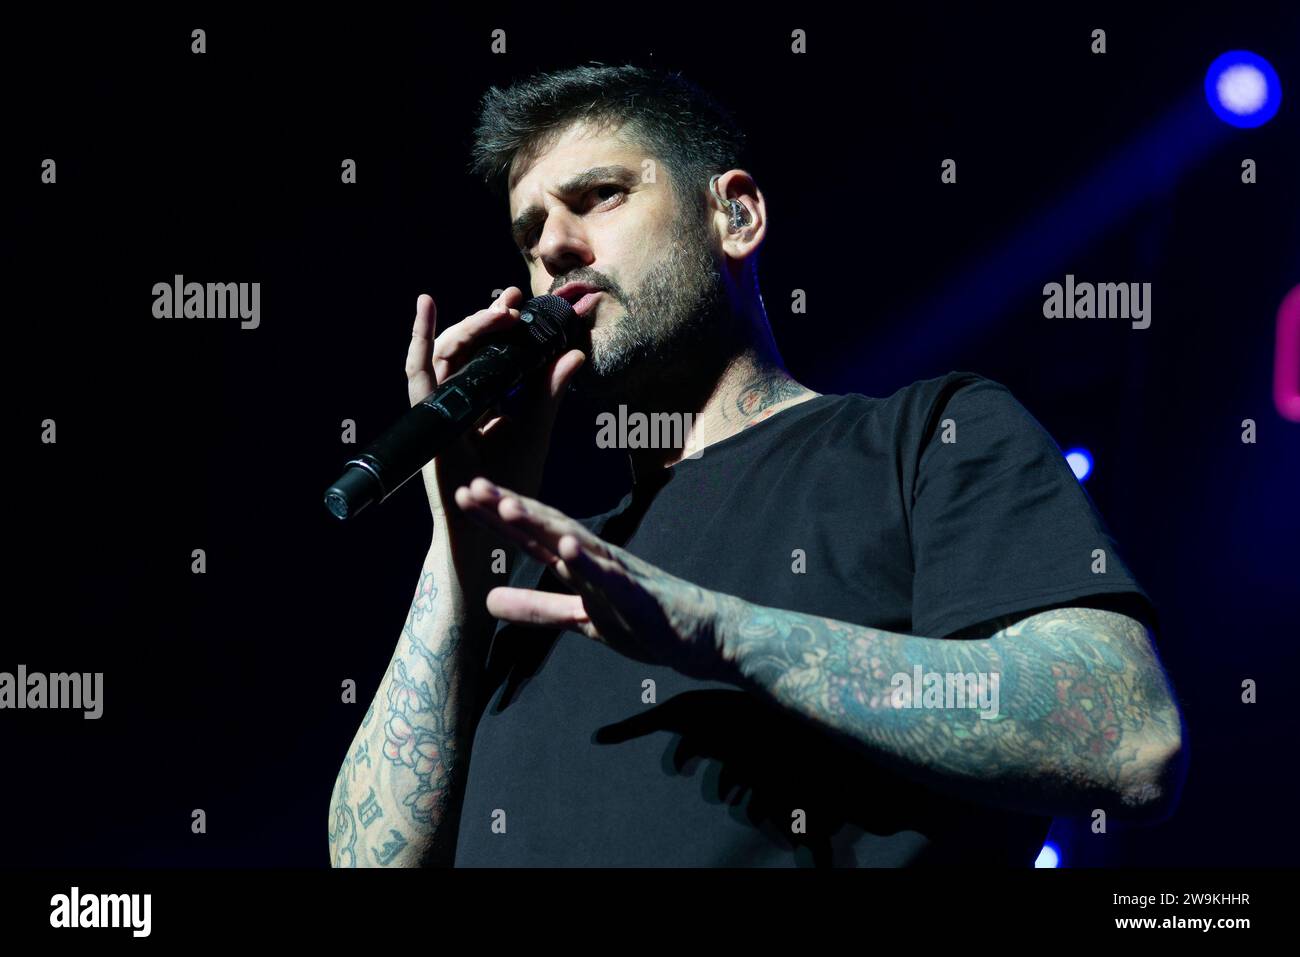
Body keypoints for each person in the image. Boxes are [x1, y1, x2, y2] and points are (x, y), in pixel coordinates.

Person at [327, 63, 1187, 868]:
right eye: (530, 233)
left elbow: (1126, 738)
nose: (554, 246)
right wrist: (462, 533)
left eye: (599, 196)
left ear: (734, 216)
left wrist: (721, 633)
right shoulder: (539, 569)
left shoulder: (928, 437)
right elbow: (372, 856)